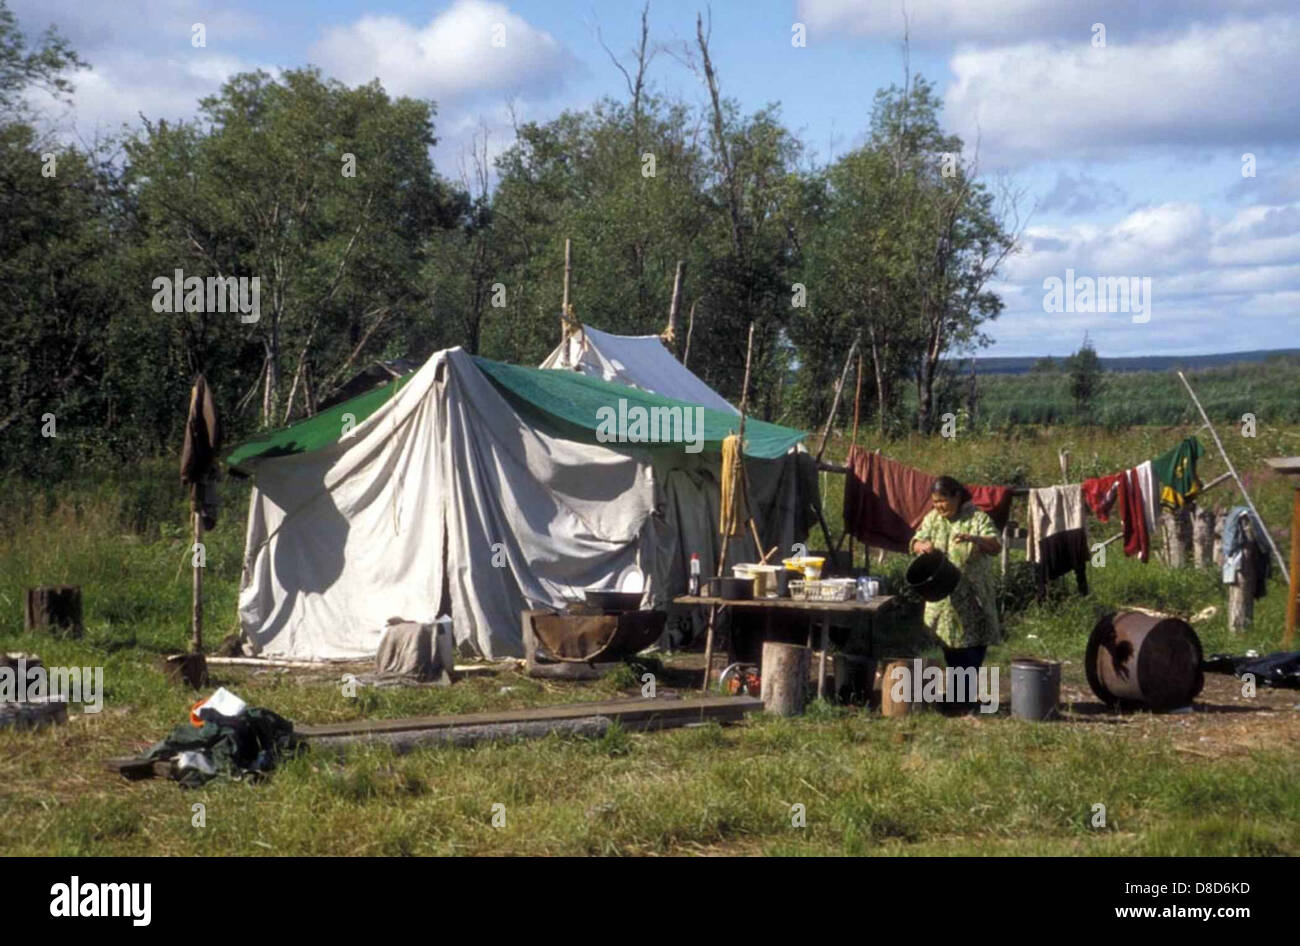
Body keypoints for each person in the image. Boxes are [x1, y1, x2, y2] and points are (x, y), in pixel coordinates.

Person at [910, 476, 1002, 678]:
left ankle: (965, 697)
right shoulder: (933, 518)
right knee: (949, 647)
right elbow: (916, 541)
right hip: (943, 598)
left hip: (972, 596)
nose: (939, 506)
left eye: (943, 500)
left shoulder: (977, 518)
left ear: (957, 496)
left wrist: (974, 538)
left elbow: (995, 546)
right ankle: (958, 697)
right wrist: (921, 545)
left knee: (972, 647)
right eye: (935, 501)